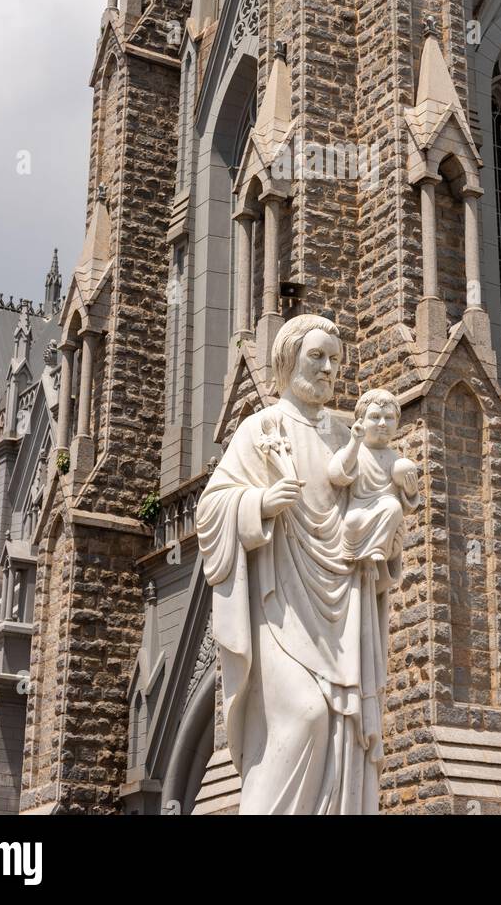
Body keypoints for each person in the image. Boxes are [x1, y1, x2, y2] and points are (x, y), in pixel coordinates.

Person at [196, 315, 406, 815]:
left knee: (343, 733)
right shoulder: (260, 428)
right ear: (289, 359)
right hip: (282, 604)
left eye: (336, 359)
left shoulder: (346, 432)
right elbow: (211, 510)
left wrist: (388, 528)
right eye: (318, 356)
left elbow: (372, 496)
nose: (329, 368)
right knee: (306, 715)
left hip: (343, 601)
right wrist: (262, 503)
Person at [331, 389, 420, 565]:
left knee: (393, 506)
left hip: (386, 520)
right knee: (390, 507)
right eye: (374, 417)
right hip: (356, 516)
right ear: (360, 422)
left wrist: (410, 493)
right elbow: (336, 475)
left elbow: (405, 506)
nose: (382, 423)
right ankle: (359, 551)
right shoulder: (355, 450)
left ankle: (378, 549)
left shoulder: (395, 458)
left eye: (389, 418)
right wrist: (354, 442)